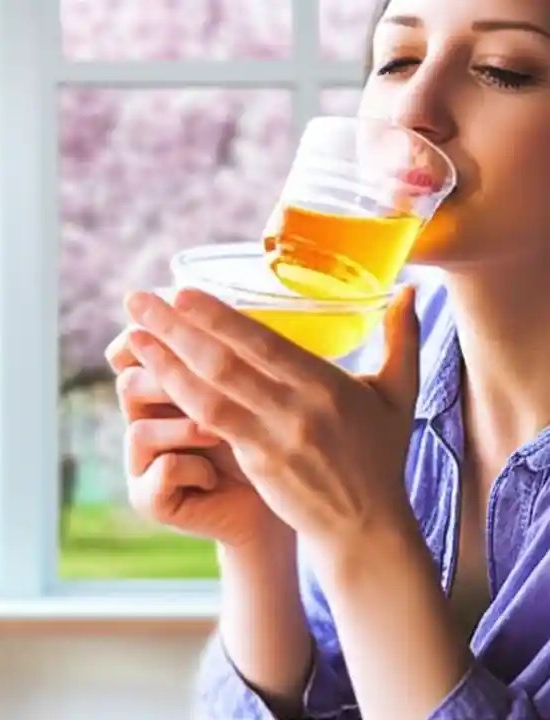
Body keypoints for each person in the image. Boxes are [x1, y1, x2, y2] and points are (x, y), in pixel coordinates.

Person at [103, 0, 550, 717]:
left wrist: (362, 530)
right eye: (397, 60)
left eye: (504, 71)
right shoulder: (382, 355)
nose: (414, 110)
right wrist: (259, 537)